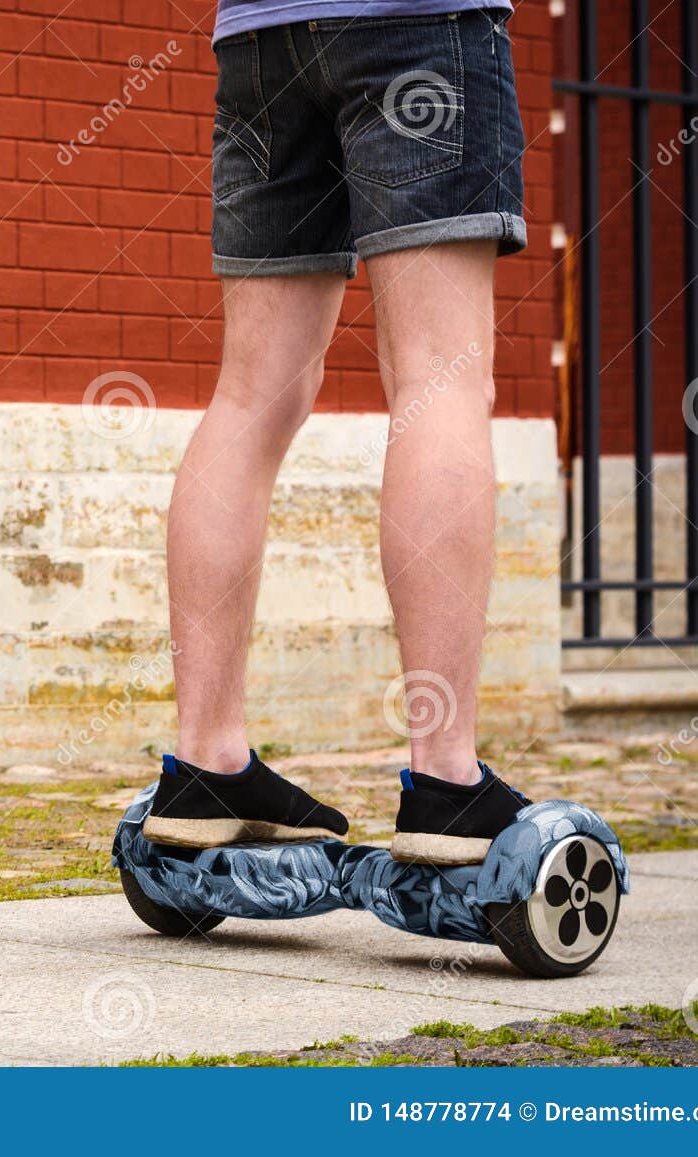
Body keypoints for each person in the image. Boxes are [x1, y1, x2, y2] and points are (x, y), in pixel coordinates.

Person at [142, 0, 531, 866]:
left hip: (258, 38)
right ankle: (445, 780)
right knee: (440, 375)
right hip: (419, 24)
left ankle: (206, 761)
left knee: (249, 394)